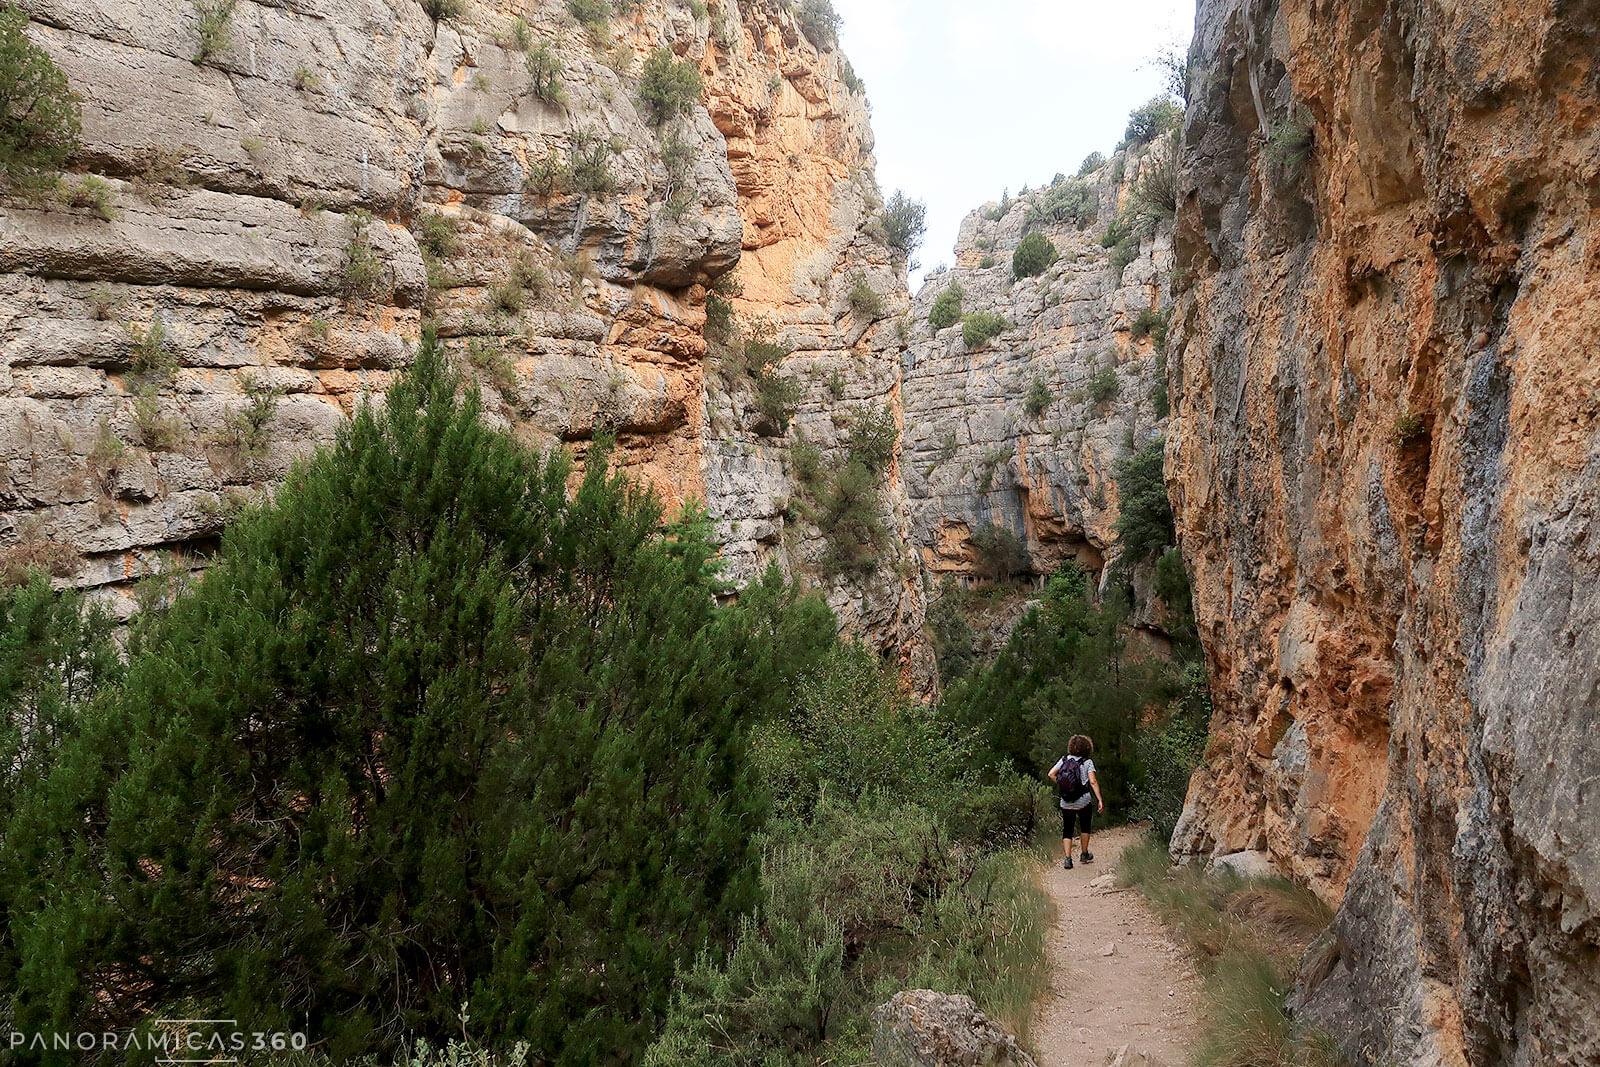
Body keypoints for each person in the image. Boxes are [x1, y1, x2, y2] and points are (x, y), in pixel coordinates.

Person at [1049, 734, 1104, 869]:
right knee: (1085, 826)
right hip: (1083, 801)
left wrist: (1062, 786)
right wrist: (1099, 798)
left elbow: (1051, 774)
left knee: (1067, 829)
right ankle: (1084, 854)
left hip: (1065, 801)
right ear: (1087, 747)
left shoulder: (1064, 759)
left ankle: (1068, 859)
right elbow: (1093, 781)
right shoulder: (1087, 762)